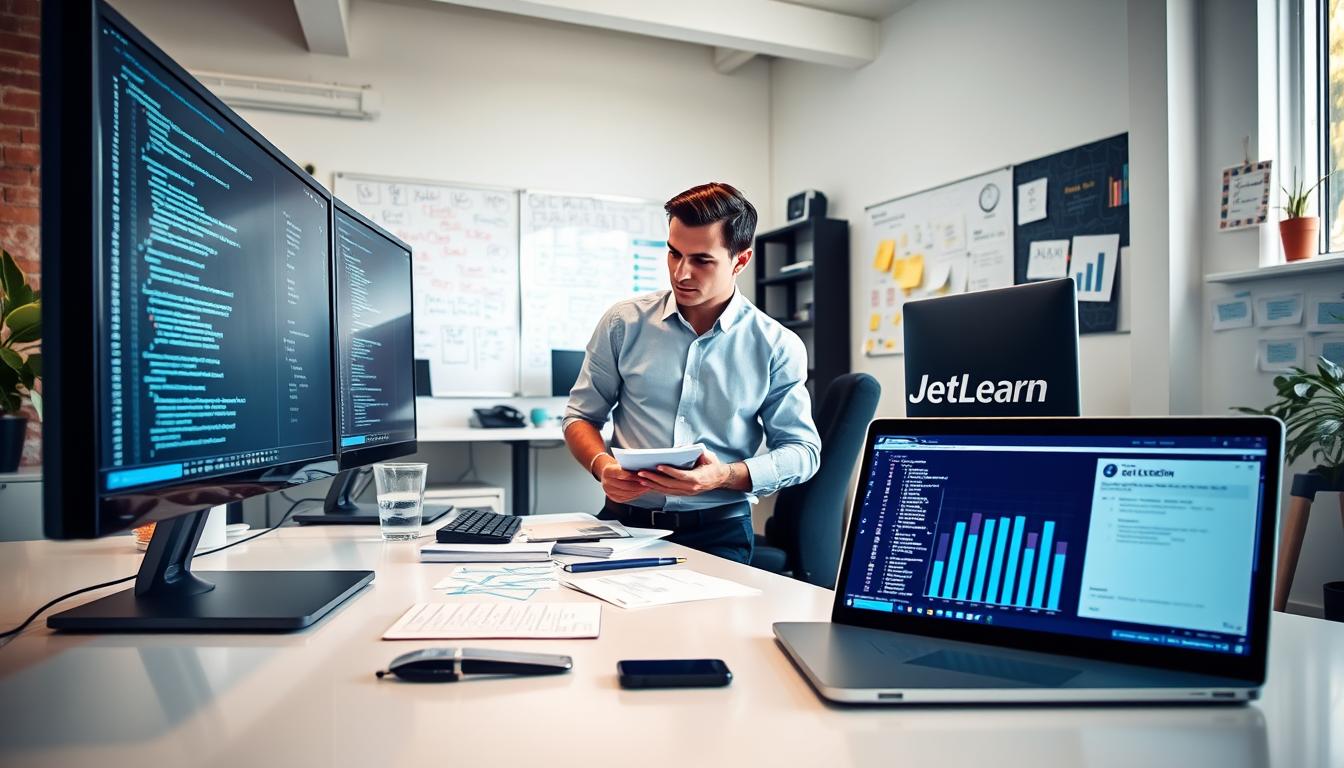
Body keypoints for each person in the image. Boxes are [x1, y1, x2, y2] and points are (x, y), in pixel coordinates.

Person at [562, 182, 821, 563]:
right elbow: (580, 416)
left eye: (702, 260)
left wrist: (724, 476)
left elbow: (803, 453)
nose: (681, 273)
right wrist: (603, 467)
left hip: (719, 531)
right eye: (673, 254)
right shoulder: (623, 323)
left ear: (741, 260)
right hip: (625, 526)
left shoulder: (776, 345)